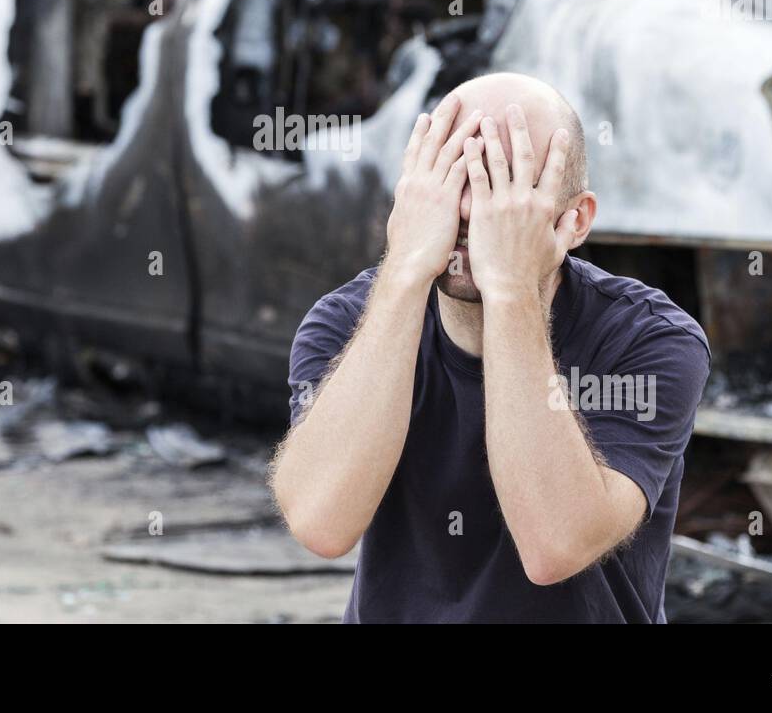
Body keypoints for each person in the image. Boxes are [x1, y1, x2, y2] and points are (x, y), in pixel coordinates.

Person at [269, 72, 710, 623]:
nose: (475, 212)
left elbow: (555, 546)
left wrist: (510, 290)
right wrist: (405, 272)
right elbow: (321, 523)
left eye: (509, 187)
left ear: (574, 221)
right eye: (456, 177)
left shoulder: (648, 340)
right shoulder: (347, 322)